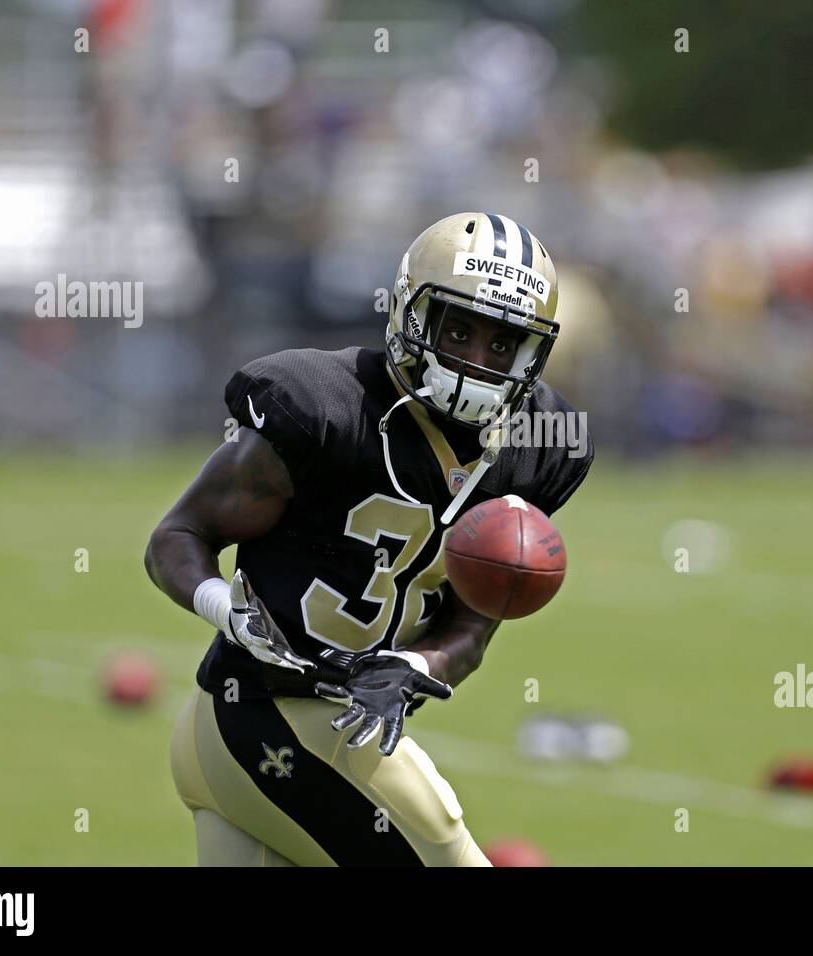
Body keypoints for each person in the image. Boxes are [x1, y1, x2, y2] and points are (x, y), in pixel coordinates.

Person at [146, 213, 593, 865]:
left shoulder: (533, 447)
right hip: (267, 718)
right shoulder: (326, 407)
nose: (476, 360)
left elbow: (472, 627)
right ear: (413, 314)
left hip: (324, 731)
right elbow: (177, 536)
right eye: (459, 330)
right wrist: (223, 607)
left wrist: (411, 669)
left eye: (502, 344)